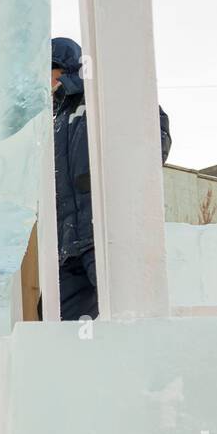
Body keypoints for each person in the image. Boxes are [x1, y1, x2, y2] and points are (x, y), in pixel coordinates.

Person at [51, 36, 172, 321]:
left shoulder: (102, 95)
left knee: (126, 313)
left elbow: (154, 135)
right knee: (57, 324)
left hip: (104, 236)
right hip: (67, 246)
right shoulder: (52, 119)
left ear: (62, 68)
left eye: (45, 71)